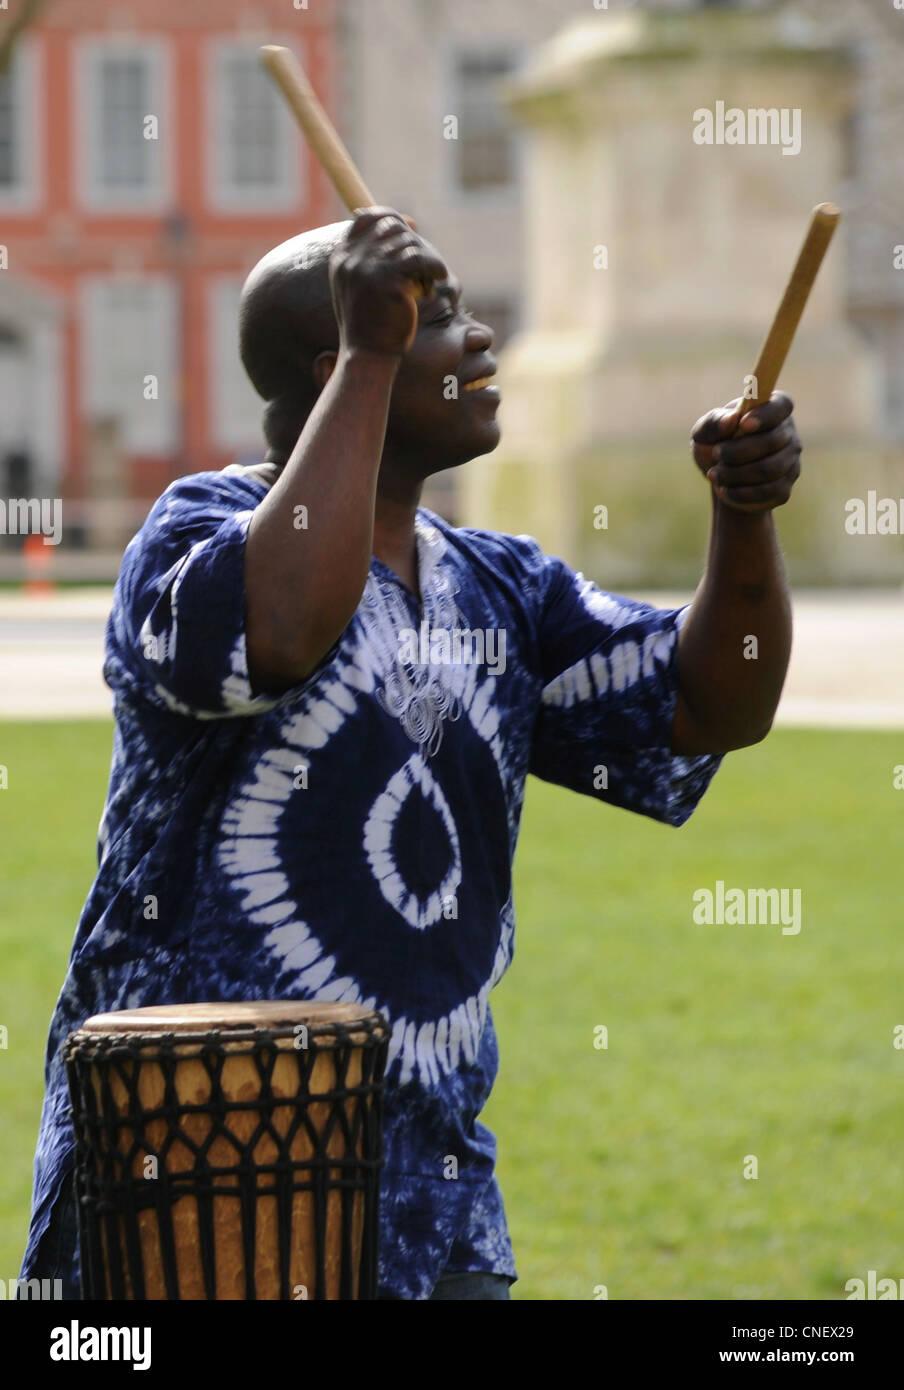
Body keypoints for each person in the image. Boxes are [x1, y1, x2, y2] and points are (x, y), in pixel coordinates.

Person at [21, 208, 800, 1300]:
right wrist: (377, 352)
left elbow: (711, 704)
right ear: (339, 361)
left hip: (435, 1204)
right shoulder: (196, 529)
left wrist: (742, 511)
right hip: (188, 1188)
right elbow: (278, 633)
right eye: (433, 317)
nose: (477, 338)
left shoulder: (506, 587)